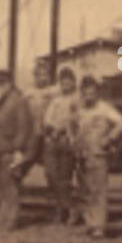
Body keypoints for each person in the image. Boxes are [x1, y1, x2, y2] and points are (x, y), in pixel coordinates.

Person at [74, 75, 122, 238]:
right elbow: (75, 126)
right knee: (86, 190)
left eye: (91, 93)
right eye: (85, 93)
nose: (88, 96)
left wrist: (110, 138)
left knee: (98, 190)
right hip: (82, 153)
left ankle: (99, 225)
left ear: (97, 93)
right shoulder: (80, 109)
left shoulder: (105, 108)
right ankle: (90, 222)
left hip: (98, 153)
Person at [0, 69, 34, 230]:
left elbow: (24, 127)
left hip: (9, 148)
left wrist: (18, 149)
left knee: (10, 185)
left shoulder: (18, 100)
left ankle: (12, 219)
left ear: (10, 82)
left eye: (2, 80)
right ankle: (2, 217)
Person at [41, 68, 80, 224]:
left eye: (69, 83)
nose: (66, 86)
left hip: (67, 141)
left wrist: (64, 129)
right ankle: (64, 206)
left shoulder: (78, 100)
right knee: (51, 174)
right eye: (63, 83)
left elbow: (77, 120)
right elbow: (47, 119)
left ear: (74, 83)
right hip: (53, 140)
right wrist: (52, 130)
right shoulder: (56, 101)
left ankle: (65, 211)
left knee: (65, 178)